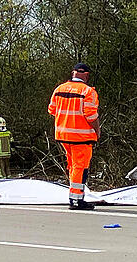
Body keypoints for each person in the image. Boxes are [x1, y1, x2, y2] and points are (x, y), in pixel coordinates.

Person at [49, 62, 100, 210]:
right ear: (86, 75)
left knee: (72, 166)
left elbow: (52, 109)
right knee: (80, 167)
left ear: (73, 73)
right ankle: (76, 199)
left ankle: (75, 196)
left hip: (63, 134)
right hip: (81, 136)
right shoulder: (88, 91)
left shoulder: (59, 89)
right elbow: (91, 115)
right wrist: (97, 130)